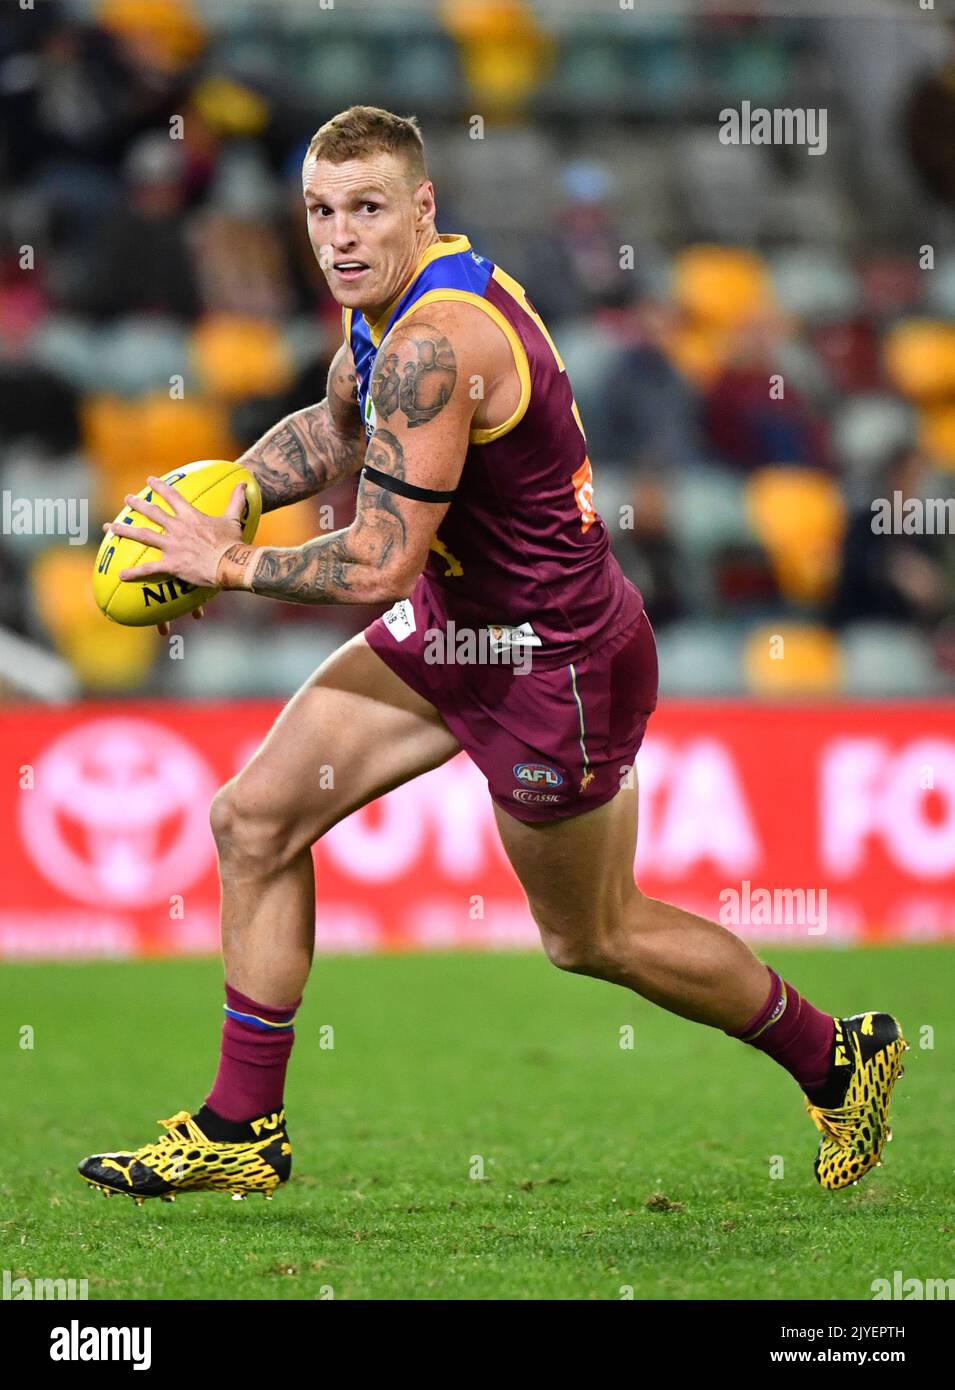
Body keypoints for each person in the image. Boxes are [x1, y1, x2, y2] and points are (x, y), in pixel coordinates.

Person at [78, 106, 906, 1204]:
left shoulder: (436, 340)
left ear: (422, 209)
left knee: (591, 934)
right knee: (254, 819)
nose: (340, 235)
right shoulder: (389, 308)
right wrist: (229, 486)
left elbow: (373, 561)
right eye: (321, 211)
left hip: (550, 662)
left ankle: (833, 1053)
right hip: (458, 627)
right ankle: (242, 1126)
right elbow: (337, 428)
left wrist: (220, 561)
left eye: (367, 208)